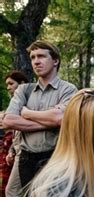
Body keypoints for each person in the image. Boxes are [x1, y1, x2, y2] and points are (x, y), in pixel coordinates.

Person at [3, 40, 77, 187]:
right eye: (33, 57)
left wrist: (26, 113)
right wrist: (50, 122)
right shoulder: (24, 90)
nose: (36, 62)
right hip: (26, 159)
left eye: (41, 56)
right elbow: (8, 121)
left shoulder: (68, 89)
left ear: (55, 61)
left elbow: (59, 118)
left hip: (54, 158)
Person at [0, 70, 29, 197]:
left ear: (22, 83)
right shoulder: (15, 104)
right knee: (12, 190)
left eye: (11, 84)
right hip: (18, 152)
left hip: (29, 153)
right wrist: (11, 150)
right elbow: (16, 132)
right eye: (7, 85)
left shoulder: (28, 103)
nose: (9, 88)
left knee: (13, 189)